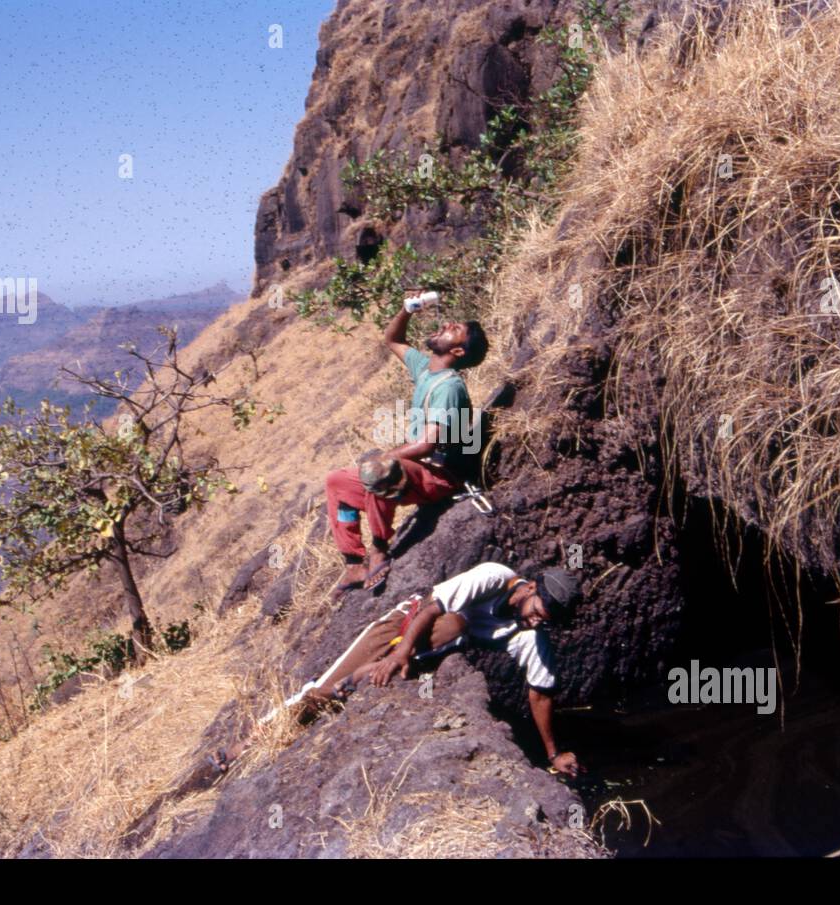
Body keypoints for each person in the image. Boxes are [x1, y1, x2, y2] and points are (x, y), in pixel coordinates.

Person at [215, 563, 585, 778]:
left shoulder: (531, 635)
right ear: (531, 586)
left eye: (545, 621)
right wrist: (398, 655)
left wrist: (553, 754)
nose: (536, 621)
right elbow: (430, 608)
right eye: (537, 610)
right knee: (324, 691)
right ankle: (244, 746)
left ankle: (364, 677)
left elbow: (541, 692)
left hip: (434, 650)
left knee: (453, 631)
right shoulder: (494, 576)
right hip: (404, 627)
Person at [325, 292, 488, 597]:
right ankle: (353, 563)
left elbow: (428, 444)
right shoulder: (426, 370)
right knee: (336, 483)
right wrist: (406, 310)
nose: (447, 324)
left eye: (455, 330)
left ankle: (379, 549)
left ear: (457, 350)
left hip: (438, 477)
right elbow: (393, 339)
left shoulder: (450, 387)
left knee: (380, 466)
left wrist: (385, 456)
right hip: (414, 473)